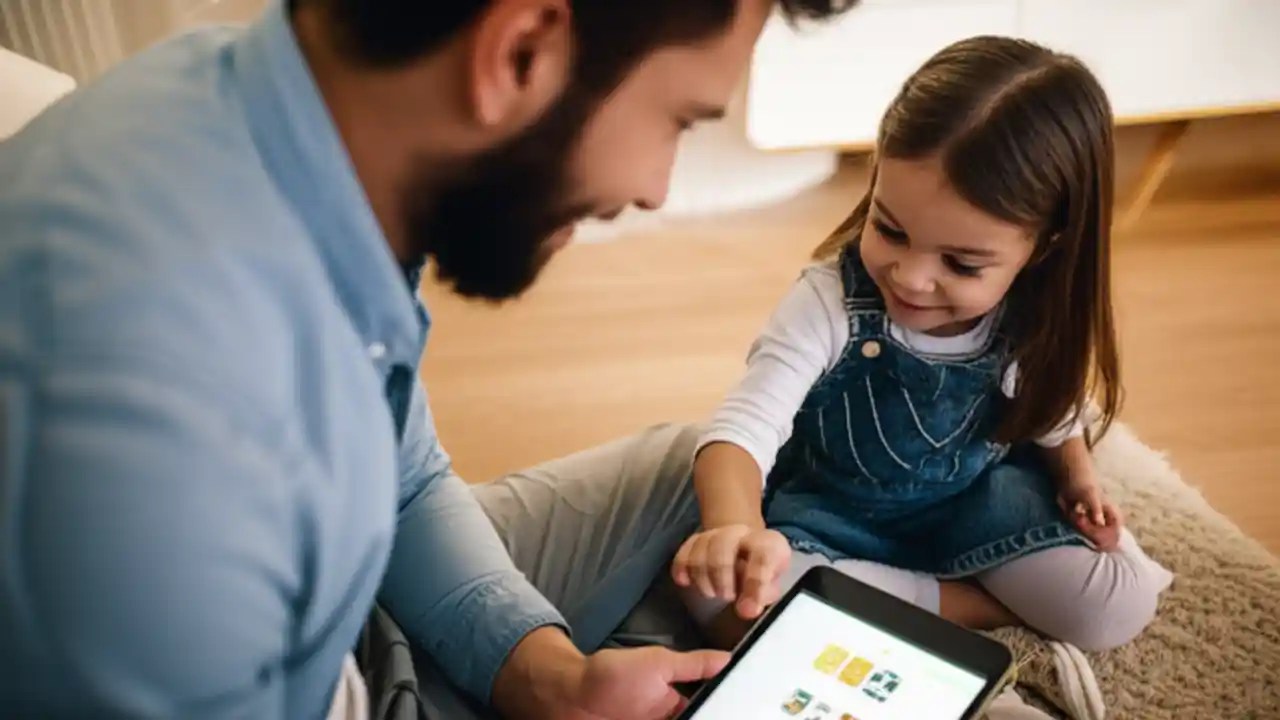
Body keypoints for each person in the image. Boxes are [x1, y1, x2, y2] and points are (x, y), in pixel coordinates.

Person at [0, 0, 861, 717]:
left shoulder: (271, 118)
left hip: (352, 621)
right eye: (677, 120)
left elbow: (402, 480)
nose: (654, 186)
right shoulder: (147, 456)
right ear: (518, 49)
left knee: (701, 474)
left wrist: (550, 679)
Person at [671, 36, 1174, 653]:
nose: (909, 277)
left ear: (1044, 248)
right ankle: (969, 605)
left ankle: (891, 602)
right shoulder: (829, 302)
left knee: (1120, 604)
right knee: (719, 596)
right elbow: (741, 430)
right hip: (834, 517)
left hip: (972, 505)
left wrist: (1077, 476)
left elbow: (1052, 401)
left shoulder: (1032, 311)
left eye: (961, 264)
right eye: (889, 229)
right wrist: (734, 527)